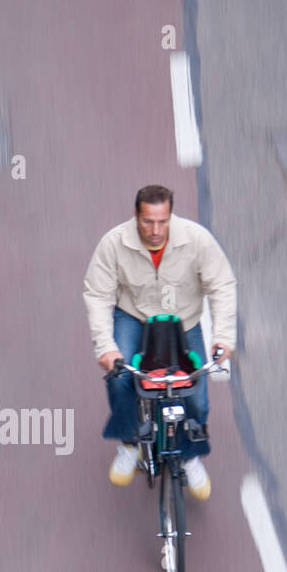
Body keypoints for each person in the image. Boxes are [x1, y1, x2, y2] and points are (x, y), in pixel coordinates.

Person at [83, 185, 237, 496]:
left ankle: (190, 456)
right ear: (136, 216)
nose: (156, 231)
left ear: (171, 216)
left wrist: (222, 336)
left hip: (183, 322)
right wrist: (106, 347)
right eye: (148, 222)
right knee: (120, 378)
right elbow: (98, 293)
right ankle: (129, 444)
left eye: (162, 222)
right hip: (133, 317)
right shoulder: (114, 243)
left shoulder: (196, 240)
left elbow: (222, 284)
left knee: (196, 395)